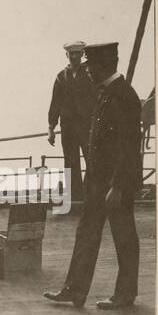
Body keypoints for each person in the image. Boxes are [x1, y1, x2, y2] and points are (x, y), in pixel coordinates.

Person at [44, 41, 143, 309]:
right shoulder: (105, 93)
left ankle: (125, 295)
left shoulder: (124, 96)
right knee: (86, 233)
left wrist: (119, 186)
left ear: (102, 66)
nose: (87, 71)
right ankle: (75, 290)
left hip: (115, 185)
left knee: (124, 237)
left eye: (90, 66)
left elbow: (129, 147)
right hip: (98, 183)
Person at [47, 41, 95, 203]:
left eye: (77, 53)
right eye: (71, 54)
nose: (74, 57)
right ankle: (75, 198)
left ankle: (93, 196)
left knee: (92, 159)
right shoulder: (61, 77)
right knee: (70, 161)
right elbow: (55, 103)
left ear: (82, 55)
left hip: (87, 125)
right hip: (68, 127)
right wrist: (51, 128)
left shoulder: (90, 74)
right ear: (67, 55)